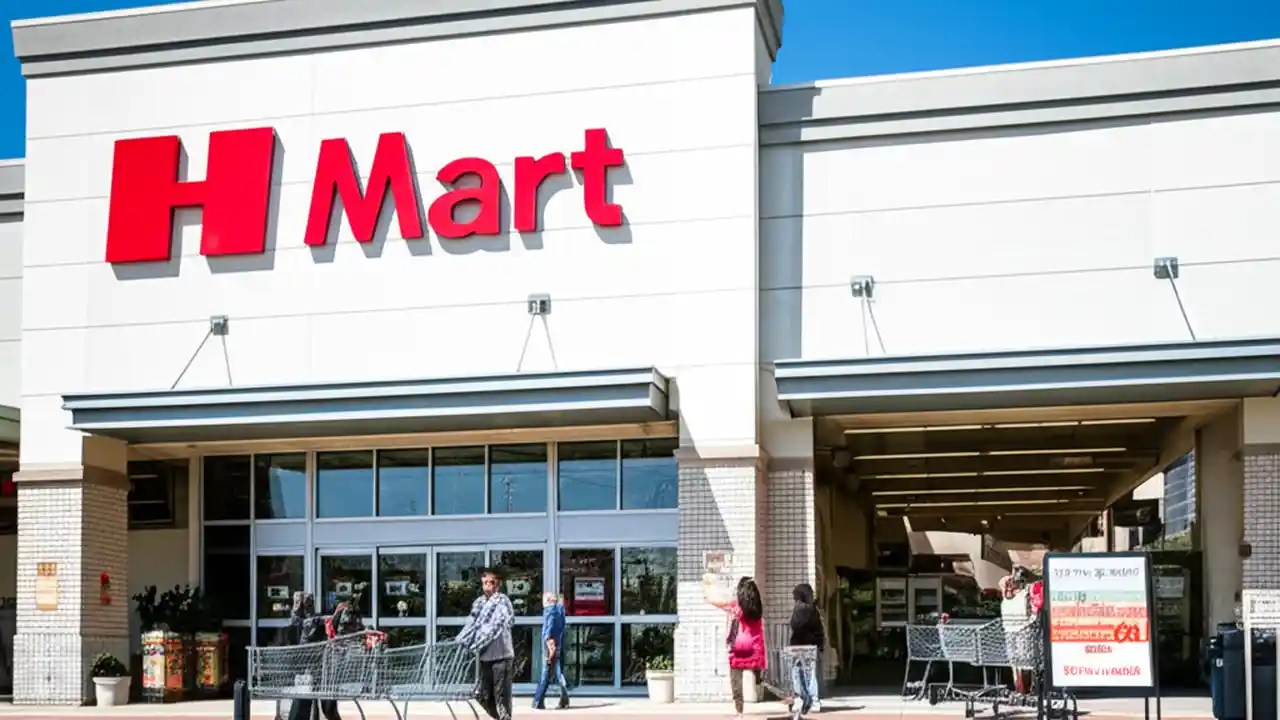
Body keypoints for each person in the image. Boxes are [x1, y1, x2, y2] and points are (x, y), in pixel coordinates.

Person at [456, 568, 516, 720]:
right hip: (485, 656)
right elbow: (472, 623)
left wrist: (477, 642)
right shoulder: (479, 602)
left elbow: (499, 624)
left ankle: (504, 718)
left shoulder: (502, 601)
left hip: (502, 656)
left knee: (501, 697)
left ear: (498, 584)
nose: (488, 586)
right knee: (484, 696)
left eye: (491, 582)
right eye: (485, 582)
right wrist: (462, 638)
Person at [706, 575, 767, 720]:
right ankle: (777, 692)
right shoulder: (757, 610)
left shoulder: (736, 608)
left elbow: (717, 603)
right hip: (755, 649)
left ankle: (739, 712)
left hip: (738, 650)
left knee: (736, 682)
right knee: (760, 678)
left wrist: (708, 592)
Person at [286, 591, 343, 720]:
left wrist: (336, 614)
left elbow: (324, 621)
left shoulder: (312, 620)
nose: (307, 603)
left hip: (315, 663)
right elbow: (298, 622)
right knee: (306, 696)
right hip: (306, 662)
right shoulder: (300, 621)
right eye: (306, 601)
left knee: (320, 699)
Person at [788, 583, 825, 716]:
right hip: (811, 646)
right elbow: (819, 630)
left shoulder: (801, 609)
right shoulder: (813, 609)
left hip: (800, 645)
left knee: (798, 672)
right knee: (810, 673)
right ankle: (812, 700)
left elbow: (795, 626)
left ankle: (803, 698)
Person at [532, 592, 570, 710]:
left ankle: (538, 700)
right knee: (558, 670)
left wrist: (549, 642)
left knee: (546, 671)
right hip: (558, 641)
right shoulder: (560, 611)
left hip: (550, 644)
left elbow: (549, 626)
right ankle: (563, 696)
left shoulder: (549, 611)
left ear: (547, 601)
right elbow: (562, 626)